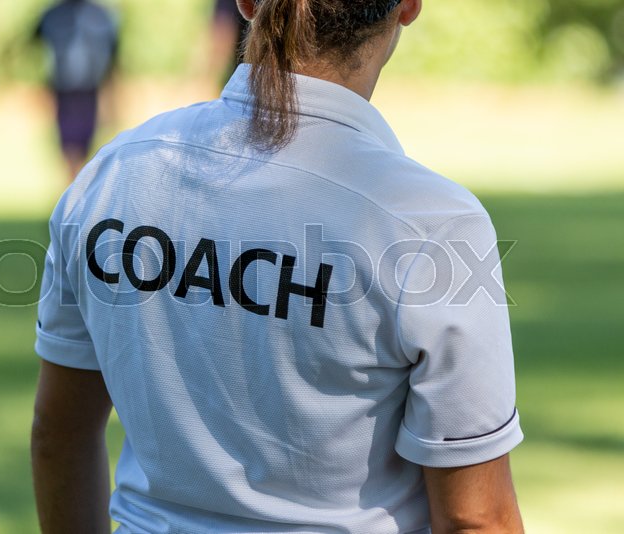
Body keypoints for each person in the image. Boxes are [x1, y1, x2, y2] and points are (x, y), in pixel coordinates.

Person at [31, 1, 526, 532]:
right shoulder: (431, 222)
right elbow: (476, 518)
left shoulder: (114, 174)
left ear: (246, 2)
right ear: (407, 6)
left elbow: (59, 433)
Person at [34, 0, 118, 181]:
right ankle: (73, 184)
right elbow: (35, 46)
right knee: (68, 142)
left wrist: (112, 97)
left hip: (90, 89)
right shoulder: (51, 15)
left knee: (87, 141)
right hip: (63, 89)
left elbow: (113, 58)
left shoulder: (102, 16)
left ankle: (80, 184)